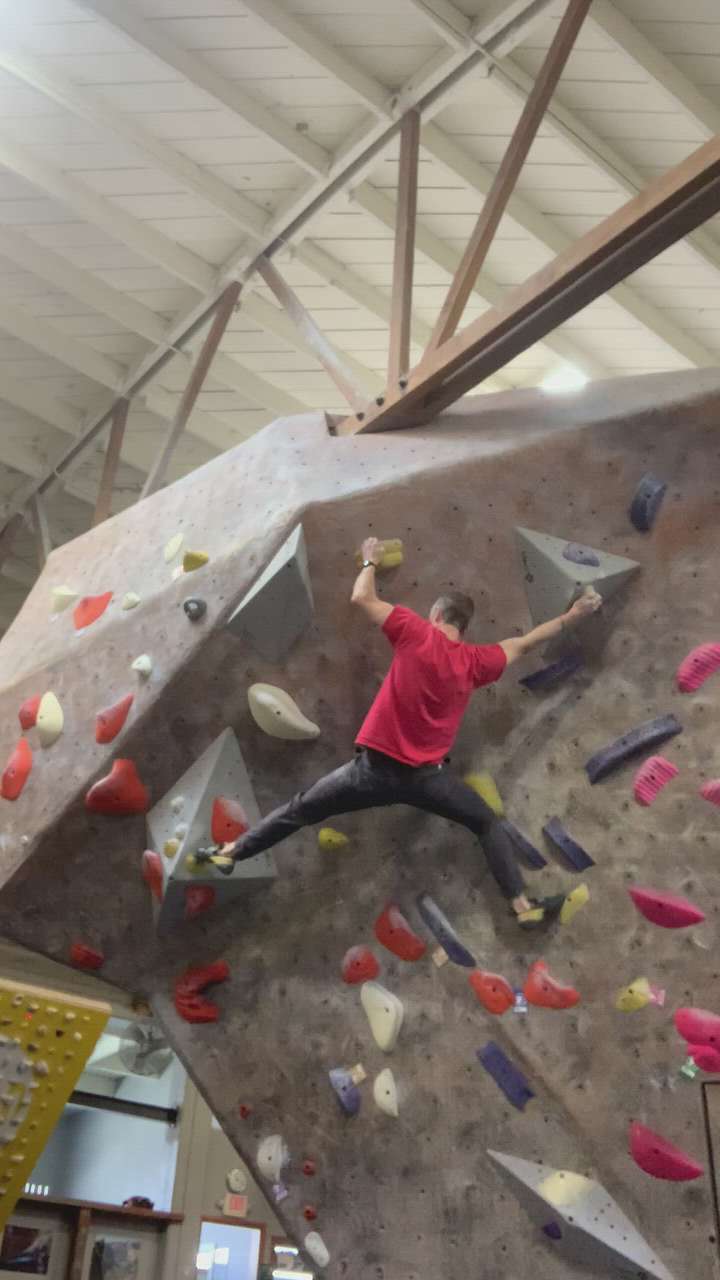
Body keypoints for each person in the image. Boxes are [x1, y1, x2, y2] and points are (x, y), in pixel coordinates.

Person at [214, 537, 601, 925]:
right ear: (463, 627)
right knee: (485, 822)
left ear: (436, 613)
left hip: (370, 772)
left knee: (300, 809)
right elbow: (527, 643)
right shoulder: (476, 662)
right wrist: (574, 615)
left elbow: (361, 598)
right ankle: (522, 907)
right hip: (426, 781)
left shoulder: (415, 631)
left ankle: (231, 853)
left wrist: (369, 561)